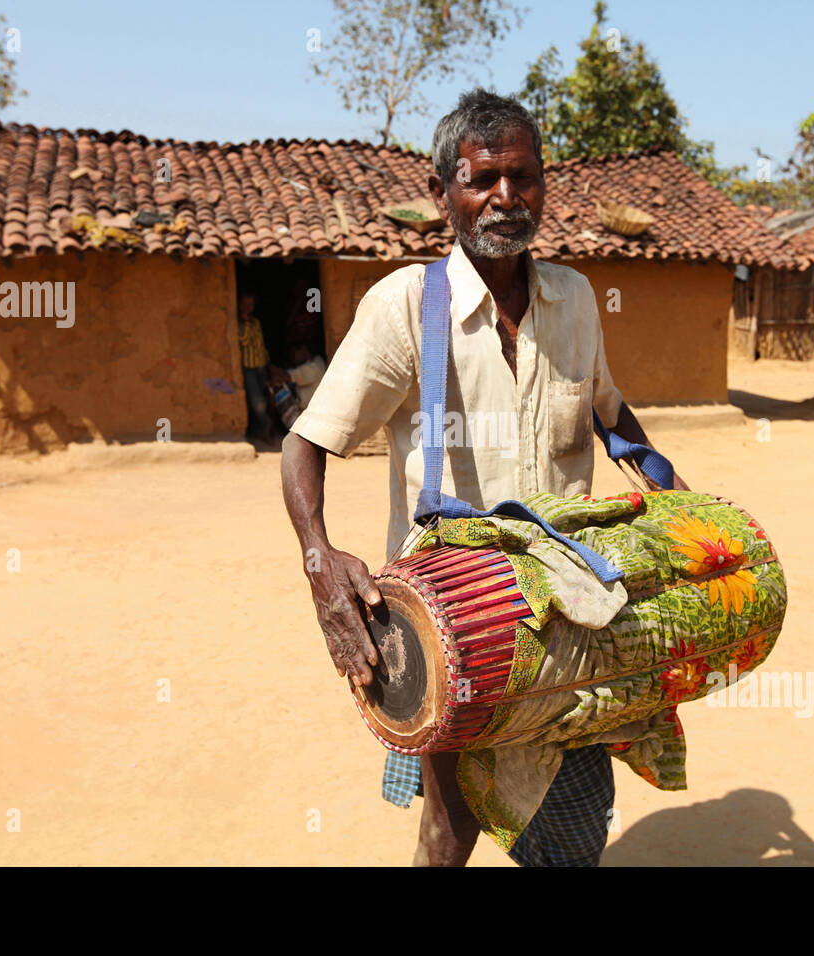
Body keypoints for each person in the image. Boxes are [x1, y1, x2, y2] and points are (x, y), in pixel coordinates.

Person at [280, 88, 687, 867]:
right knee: (451, 829)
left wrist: (669, 492)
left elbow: (610, 415)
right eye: (482, 178)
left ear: (543, 184)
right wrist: (318, 558)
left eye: (524, 177)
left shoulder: (573, 299)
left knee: (572, 829)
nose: (506, 197)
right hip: (455, 624)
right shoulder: (406, 307)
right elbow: (307, 442)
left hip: (571, 616)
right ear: (443, 194)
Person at [237, 290, 272, 442]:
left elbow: (261, 345)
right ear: (239, 304)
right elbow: (243, 340)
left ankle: (260, 430)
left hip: (260, 367)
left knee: (262, 400)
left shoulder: (256, 322)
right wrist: (245, 323)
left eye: (250, 304)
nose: (248, 307)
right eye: (245, 304)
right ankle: (267, 426)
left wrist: (267, 363)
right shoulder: (239, 323)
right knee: (257, 403)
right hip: (249, 368)